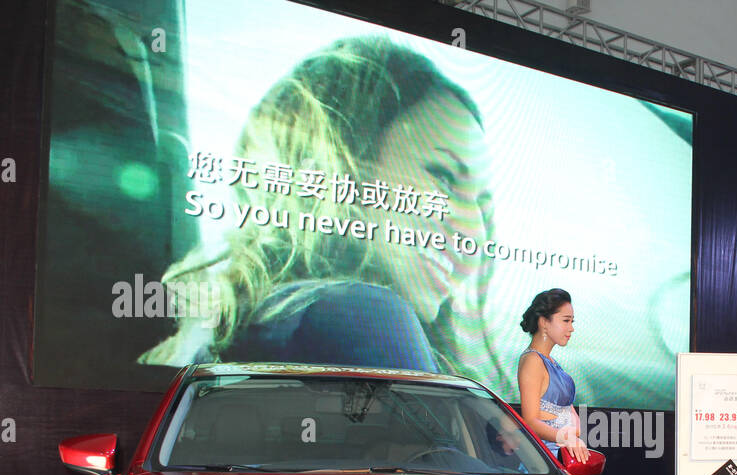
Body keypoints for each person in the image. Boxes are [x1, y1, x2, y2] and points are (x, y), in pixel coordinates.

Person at [139, 35, 500, 385]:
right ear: (343, 163)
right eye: (444, 178)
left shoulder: (230, 328)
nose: (473, 235)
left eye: (483, 208)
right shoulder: (362, 313)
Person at [517, 289, 590, 463]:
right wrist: (565, 436)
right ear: (544, 322)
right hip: (543, 461)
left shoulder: (552, 362)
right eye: (566, 320)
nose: (571, 328)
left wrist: (570, 435)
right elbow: (530, 420)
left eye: (572, 321)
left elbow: (572, 417)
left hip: (563, 456)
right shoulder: (532, 361)